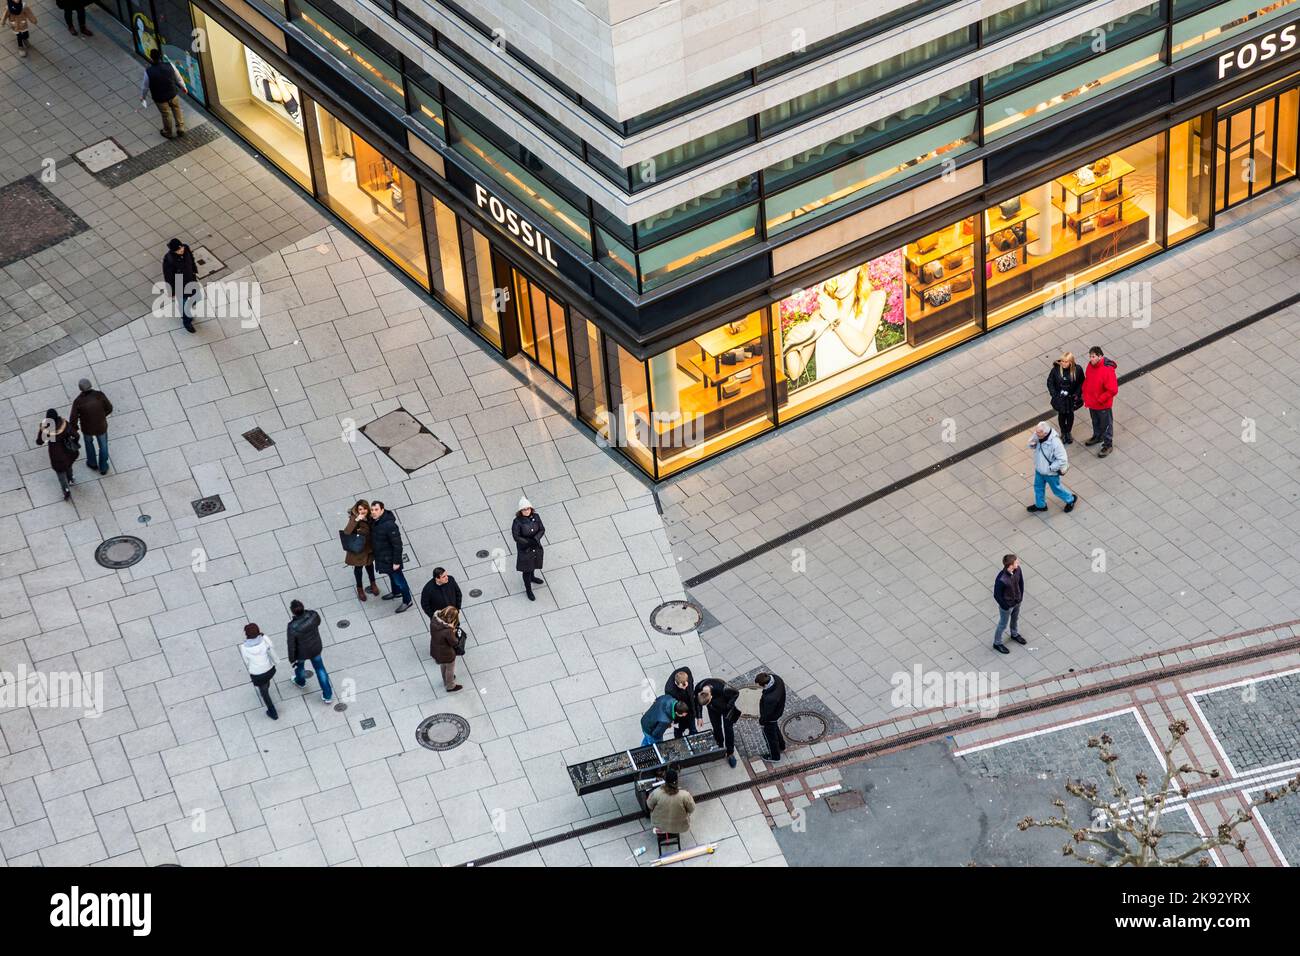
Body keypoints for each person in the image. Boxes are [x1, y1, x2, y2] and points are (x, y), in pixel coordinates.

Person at [286, 600, 333, 703]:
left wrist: (292, 659)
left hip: (301, 653)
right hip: (316, 647)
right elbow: (319, 622)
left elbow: (291, 645)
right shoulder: (313, 615)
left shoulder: (292, 626)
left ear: (293, 612)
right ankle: (328, 695)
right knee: (320, 669)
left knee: (300, 667)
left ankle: (301, 681)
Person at [368, 500, 412, 612]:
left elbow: (398, 545)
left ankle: (407, 601)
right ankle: (396, 593)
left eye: (376, 510)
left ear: (382, 510)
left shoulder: (390, 525)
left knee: (400, 581)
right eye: (372, 510)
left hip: (391, 559)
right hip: (383, 557)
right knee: (391, 576)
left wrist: (396, 562)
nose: (373, 512)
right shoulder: (375, 521)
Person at [1026, 421, 1077, 514]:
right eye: (1036, 432)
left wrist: (1050, 468)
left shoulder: (1055, 443)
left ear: (1045, 433)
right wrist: (1032, 444)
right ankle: (1040, 505)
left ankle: (1070, 499)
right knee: (1038, 488)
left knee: (1056, 489)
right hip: (1039, 470)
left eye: (1038, 433)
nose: (1036, 435)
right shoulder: (1038, 434)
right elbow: (1030, 443)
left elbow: (1062, 460)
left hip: (1050, 473)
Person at [68, 378, 112, 475]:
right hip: (101, 426)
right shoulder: (99, 395)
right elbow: (109, 408)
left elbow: (73, 418)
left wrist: (74, 429)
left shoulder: (78, 401)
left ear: (80, 389)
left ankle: (92, 463)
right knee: (103, 446)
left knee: (89, 444)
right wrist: (102, 416)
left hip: (87, 428)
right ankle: (103, 467)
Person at [140, 48, 187, 139]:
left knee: (166, 115)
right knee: (176, 109)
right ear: (161, 56)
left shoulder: (149, 72)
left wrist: (143, 97)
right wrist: (183, 87)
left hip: (160, 98)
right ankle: (180, 128)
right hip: (172, 93)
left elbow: (145, 86)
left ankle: (168, 132)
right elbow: (178, 78)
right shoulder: (170, 65)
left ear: (151, 58)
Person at [1082, 346, 1119, 458]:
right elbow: (1088, 380)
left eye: (1093, 357)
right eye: (1090, 356)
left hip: (1102, 404)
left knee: (1106, 425)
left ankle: (1108, 445)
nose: (1091, 359)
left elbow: (1113, 390)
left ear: (1100, 356)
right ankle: (1097, 436)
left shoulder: (1107, 370)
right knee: (1095, 421)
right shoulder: (1090, 366)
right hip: (1092, 402)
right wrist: (1085, 395)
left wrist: (1100, 399)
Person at [35, 410, 79, 501]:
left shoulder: (47, 429)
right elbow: (76, 435)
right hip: (67, 451)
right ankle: (71, 479)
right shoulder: (64, 424)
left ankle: (66, 490)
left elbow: (40, 442)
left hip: (55, 454)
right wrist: (74, 442)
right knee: (68, 465)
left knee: (60, 473)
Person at [696, 678, 741, 767]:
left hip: (726, 709)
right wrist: (699, 716)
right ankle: (720, 746)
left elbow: (736, 693)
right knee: (716, 727)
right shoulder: (699, 688)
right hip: (713, 709)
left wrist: (729, 705)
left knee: (728, 729)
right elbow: (697, 703)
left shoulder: (722, 687)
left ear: (710, 696)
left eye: (708, 702)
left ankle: (730, 752)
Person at [240, 623, 279, 720]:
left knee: (265, 694)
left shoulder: (244, 647)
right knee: (265, 683)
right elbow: (272, 646)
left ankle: (273, 712)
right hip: (269, 670)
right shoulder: (264, 640)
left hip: (257, 674)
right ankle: (265, 688)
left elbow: (246, 661)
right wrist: (263, 635)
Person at [342, 499, 379, 602]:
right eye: (360, 509)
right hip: (358, 549)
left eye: (364, 509)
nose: (362, 511)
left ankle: (373, 583)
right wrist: (357, 520)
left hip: (368, 547)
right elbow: (347, 532)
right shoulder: (354, 518)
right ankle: (360, 589)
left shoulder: (370, 517)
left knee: (370, 566)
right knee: (358, 570)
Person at [1046, 352, 1085, 444]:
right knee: (1062, 415)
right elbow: (1050, 382)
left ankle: (1068, 432)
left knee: (1070, 415)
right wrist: (1054, 394)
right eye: (1062, 361)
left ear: (1070, 362)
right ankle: (1063, 432)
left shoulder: (1077, 369)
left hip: (1071, 398)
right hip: (1060, 398)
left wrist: (1077, 394)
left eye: (1066, 361)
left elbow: (1082, 382)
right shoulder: (1055, 370)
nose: (1063, 363)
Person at [646, 766, 695, 838]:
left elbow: (649, 805)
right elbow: (692, 809)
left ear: (665, 780)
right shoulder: (685, 795)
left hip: (660, 826)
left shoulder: (657, 793)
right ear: (677, 781)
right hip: (681, 826)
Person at [512, 497, 545, 601]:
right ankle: (528, 590)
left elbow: (542, 529)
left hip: (535, 546)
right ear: (520, 511)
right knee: (526, 569)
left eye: (528, 508)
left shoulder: (536, 516)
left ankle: (533, 577)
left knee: (534, 563)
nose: (526, 511)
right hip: (525, 549)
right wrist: (528, 542)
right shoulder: (517, 521)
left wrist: (535, 539)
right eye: (524, 509)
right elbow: (516, 536)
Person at [162, 238, 198, 333]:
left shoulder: (186, 248)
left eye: (181, 247)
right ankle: (187, 322)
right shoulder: (169, 259)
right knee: (184, 305)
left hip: (191, 280)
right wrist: (172, 292)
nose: (181, 250)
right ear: (173, 251)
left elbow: (191, 259)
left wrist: (194, 270)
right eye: (178, 250)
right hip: (179, 285)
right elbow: (168, 277)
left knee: (195, 297)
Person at [993, 554, 1026, 655]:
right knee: (1003, 624)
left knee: (1015, 619)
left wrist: (1020, 597)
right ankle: (997, 643)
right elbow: (997, 595)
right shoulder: (1001, 579)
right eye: (1016, 562)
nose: (1018, 563)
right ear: (1010, 565)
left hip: (1017, 601)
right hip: (1007, 606)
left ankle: (1014, 634)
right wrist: (1005, 606)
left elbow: (1021, 583)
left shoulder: (1018, 570)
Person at [428, 605, 463, 692]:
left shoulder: (434, 621)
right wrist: (453, 631)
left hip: (436, 649)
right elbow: (454, 642)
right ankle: (450, 686)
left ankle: (445, 680)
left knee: (442, 665)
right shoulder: (448, 630)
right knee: (450, 668)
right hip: (446, 653)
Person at [756, 672, 787, 762]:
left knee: (770, 737)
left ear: (765, 684)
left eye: (760, 686)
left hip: (771, 718)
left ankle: (774, 756)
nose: (760, 688)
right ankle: (782, 746)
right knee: (775, 729)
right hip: (778, 712)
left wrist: (762, 722)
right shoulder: (777, 678)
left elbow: (767, 714)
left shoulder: (770, 698)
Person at [664, 667, 698, 739]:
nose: (685, 687)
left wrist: (694, 712)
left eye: (686, 685)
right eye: (683, 687)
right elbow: (672, 706)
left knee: (693, 729)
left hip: (690, 710)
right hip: (679, 712)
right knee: (678, 732)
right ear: (676, 683)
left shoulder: (686, 671)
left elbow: (691, 690)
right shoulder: (670, 690)